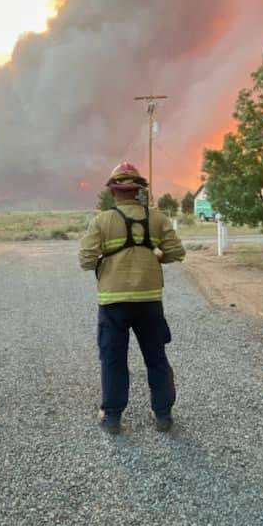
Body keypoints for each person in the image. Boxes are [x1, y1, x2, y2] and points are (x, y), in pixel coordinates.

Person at [79, 162, 185, 434]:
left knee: (113, 359)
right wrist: (156, 254)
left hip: (113, 301)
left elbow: (86, 260)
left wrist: (107, 258)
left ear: (113, 192)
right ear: (138, 190)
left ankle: (112, 417)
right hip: (149, 300)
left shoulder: (101, 221)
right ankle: (163, 415)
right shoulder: (158, 219)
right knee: (156, 357)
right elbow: (176, 252)